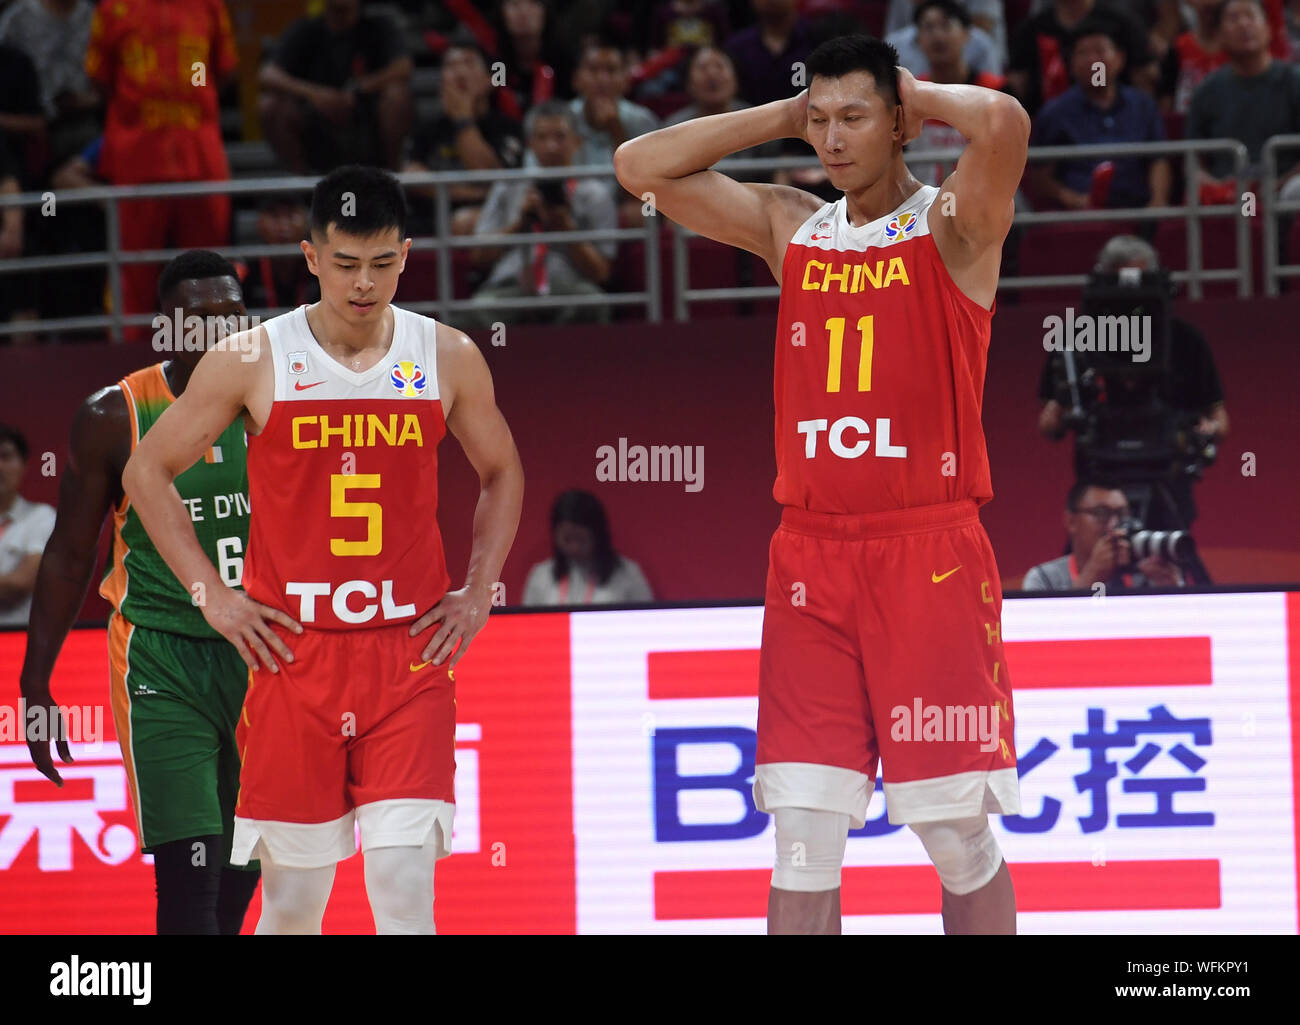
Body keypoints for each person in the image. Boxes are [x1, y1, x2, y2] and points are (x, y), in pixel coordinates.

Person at [616, 34, 1028, 935]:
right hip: (809, 559)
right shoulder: (792, 223)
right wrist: (781, 116)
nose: (834, 139)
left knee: (954, 832)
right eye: (823, 120)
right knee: (801, 838)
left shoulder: (953, 224)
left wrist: (918, 90)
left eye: (855, 118)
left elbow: (1001, 120)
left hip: (929, 554)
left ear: (902, 125)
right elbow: (638, 164)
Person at [120, 165, 525, 935]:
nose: (363, 283)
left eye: (381, 263)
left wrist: (477, 590)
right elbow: (147, 470)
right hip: (292, 661)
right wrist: (214, 595)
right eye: (344, 264)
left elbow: (503, 470)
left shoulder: (448, 355)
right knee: (295, 906)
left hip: (406, 660)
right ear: (310, 257)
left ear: (406, 255)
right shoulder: (252, 357)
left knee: (404, 892)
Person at [20, 251, 261, 934]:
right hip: (162, 658)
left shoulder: (282, 403)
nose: (220, 332)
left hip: (266, 657)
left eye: (232, 315)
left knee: (241, 878)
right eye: (201, 319)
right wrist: (36, 684)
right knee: (190, 895)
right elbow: (70, 554)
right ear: (169, 327)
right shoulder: (115, 415)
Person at [1036, 235, 1228, 529]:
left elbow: (1219, 419)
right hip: (1097, 493)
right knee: (1089, 572)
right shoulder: (1074, 340)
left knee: (1169, 569)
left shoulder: (1186, 341)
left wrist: (1205, 430)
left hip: (1168, 486)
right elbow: (1049, 426)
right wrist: (1066, 407)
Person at [84, 0, 238, 342]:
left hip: (199, 154)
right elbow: (99, 78)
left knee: (209, 268)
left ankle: (217, 363)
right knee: (133, 269)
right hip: (137, 156)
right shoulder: (113, 8)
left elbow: (224, 70)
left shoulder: (209, 5)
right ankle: (128, 369)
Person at [467, 101, 616, 328]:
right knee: (472, 315)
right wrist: (518, 225)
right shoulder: (507, 187)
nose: (551, 146)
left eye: (560, 137)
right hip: (510, 285)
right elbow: (477, 256)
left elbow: (601, 272)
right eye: (542, 137)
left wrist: (565, 226)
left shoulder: (596, 193)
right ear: (530, 144)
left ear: (577, 142)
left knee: (593, 305)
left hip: (570, 285)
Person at [1030, 16, 1171, 211]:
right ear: (1071, 63)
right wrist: (1071, 198)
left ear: (1120, 58)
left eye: (1100, 50)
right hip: (1081, 218)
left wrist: (1158, 201)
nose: (1093, 60)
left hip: (1139, 212)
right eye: (1083, 53)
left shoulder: (1144, 105)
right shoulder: (1054, 113)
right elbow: (1040, 177)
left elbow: (1159, 161)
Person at [258, 0, 413, 174]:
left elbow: (404, 66)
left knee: (397, 95)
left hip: (368, 124)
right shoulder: (305, 29)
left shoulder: (379, 27)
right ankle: (300, 185)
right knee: (271, 105)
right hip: (316, 126)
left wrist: (361, 88)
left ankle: (392, 177)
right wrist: (316, 94)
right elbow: (267, 75)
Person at [402, 39, 525, 237]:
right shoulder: (426, 128)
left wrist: (463, 120)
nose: (460, 73)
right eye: (451, 66)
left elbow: (491, 179)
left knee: (467, 222)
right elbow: (412, 177)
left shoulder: (508, 128)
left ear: (489, 80)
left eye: (469, 63)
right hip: (429, 219)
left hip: (486, 218)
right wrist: (471, 191)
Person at [1188, 0, 1300, 202]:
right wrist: (1210, 184)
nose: (1243, 24)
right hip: (1227, 192)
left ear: (1268, 28)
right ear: (1220, 35)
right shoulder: (1206, 90)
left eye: (1251, 16)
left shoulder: (1294, 82)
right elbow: (1193, 160)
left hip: (1283, 188)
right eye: (1233, 19)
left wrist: (1276, 185)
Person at [908, 0, 1007, 188]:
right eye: (928, 28)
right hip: (922, 205)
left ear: (967, 34)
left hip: (984, 200)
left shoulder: (996, 93)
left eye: (946, 25)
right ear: (918, 40)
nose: (937, 36)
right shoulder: (908, 96)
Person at [1022, 480, 1187, 590]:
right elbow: (1044, 635)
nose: (1114, 524)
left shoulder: (1147, 574)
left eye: (1122, 514)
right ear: (1071, 521)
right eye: (1101, 513)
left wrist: (1173, 589)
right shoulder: (1045, 579)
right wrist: (1092, 576)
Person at [522, 490, 654, 605]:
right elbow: (526, 627)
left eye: (580, 539)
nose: (574, 548)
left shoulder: (628, 573)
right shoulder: (540, 575)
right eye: (567, 539)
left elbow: (647, 624)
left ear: (597, 533)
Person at [0, 425, 55, 626]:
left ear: (23, 465)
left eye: (6, 457)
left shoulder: (42, 517)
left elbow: (23, 582)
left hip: (18, 639)